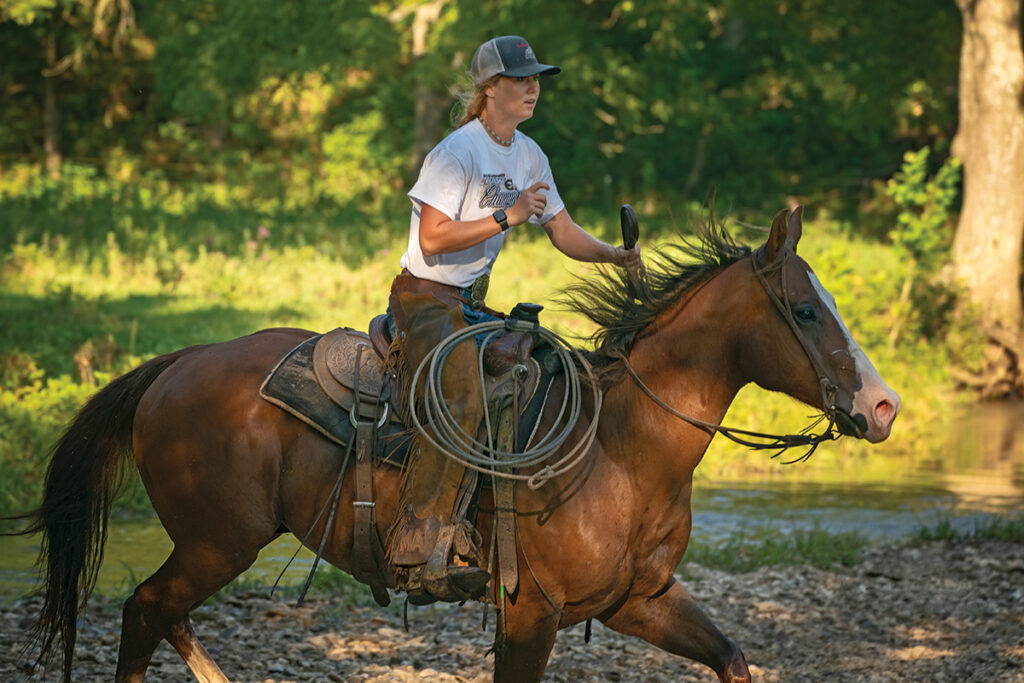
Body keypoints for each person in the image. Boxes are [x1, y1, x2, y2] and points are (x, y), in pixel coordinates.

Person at [385, 35, 642, 603]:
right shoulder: (456, 153)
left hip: (471, 303)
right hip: (426, 297)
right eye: (522, 78)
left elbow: (562, 230)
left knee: (547, 370)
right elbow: (432, 238)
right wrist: (507, 215)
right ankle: (421, 544)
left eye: (537, 78)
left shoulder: (529, 153)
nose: (533, 87)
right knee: (464, 391)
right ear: (490, 88)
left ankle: (514, 526)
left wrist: (613, 256)